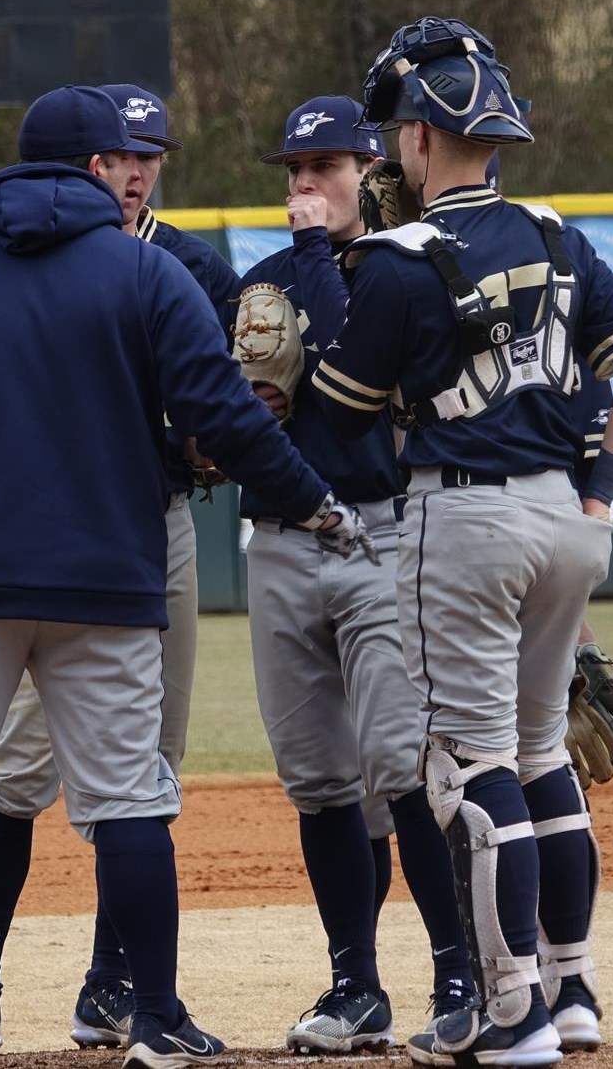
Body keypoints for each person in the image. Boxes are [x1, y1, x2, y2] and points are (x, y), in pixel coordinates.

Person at [0, 85, 371, 1069]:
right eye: (121, 158)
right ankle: (158, 1019)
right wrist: (314, 500)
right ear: (99, 168)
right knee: (130, 799)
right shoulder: (145, 273)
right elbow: (224, 417)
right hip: (109, 580)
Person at [315, 17, 613, 1067]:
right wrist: (601, 493)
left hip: (465, 521)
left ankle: (510, 1010)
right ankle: (572, 990)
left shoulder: (392, 261)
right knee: (540, 751)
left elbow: (340, 413)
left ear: (423, 137)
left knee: (467, 769)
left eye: (398, 132)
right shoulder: (557, 236)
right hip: (566, 520)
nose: (393, 149)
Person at [0, 83, 241, 1059]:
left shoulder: (193, 266)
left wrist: (211, 442)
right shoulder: (37, 256)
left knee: (145, 772)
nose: (137, 171)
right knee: (15, 771)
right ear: (91, 165)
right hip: (53, 535)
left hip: (157, 527)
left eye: (151, 155)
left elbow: (231, 407)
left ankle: (111, 985)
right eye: (122, 155)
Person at [235, 94, 476, 1054]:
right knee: (320, 781)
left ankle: (458, 976)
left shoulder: (406, 268)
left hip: (384, 534)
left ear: (370, 171)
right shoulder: (259, 282)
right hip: (280, 540)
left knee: (402, 761)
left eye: (325, 168)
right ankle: (355, 988)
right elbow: (228, 410)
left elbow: (348, 376)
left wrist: (310, 251)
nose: (304, 185)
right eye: (294, 170)